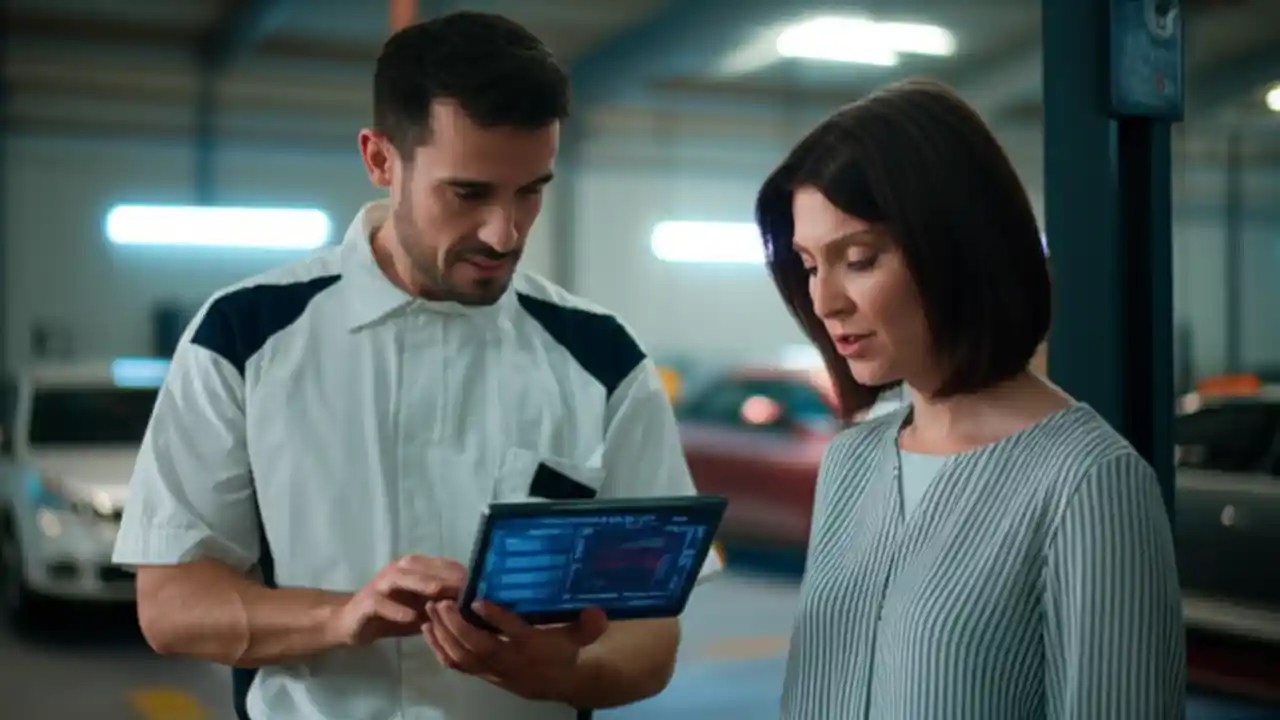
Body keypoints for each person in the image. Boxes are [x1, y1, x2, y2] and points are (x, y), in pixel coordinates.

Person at [111, 11, 718, 720]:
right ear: (381, 161)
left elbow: (651, 635)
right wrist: (342, 616)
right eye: (469, 193)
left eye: (531, 190)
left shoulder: (602, 359)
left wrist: (566, 673)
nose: (505, 232)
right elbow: (173, 605)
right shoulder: (245, 337)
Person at [755, 79, 1185, 719]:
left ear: (956, 248)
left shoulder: (1088, 483)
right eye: (811, 265)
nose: (824, 301)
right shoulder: (851, 463)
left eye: (861, 259)